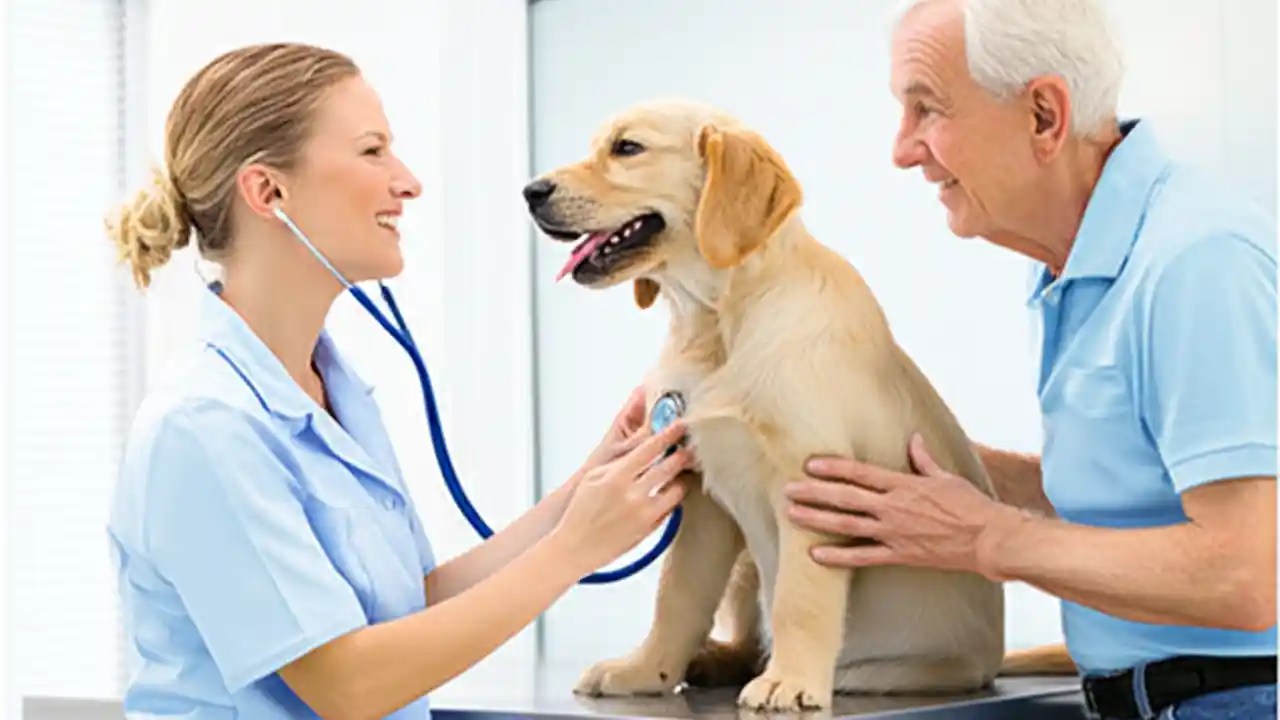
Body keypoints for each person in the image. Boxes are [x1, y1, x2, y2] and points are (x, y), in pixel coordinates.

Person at [104, 42, 692, 720]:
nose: (407, 181)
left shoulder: (332, 393)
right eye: (372, 151)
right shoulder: (203, 427)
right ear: (269, 192)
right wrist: (576, 546)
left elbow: (415, 608)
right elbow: (349, 685)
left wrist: (590, 488)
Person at [784, 1, 1277, 719]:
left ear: (1044, 116)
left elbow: (1248, 573)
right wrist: (929, 464)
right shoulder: (1069, 264)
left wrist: (986, 538)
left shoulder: (1198, 262)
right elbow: (1137, 504)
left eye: (927, 109)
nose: (902, 148)